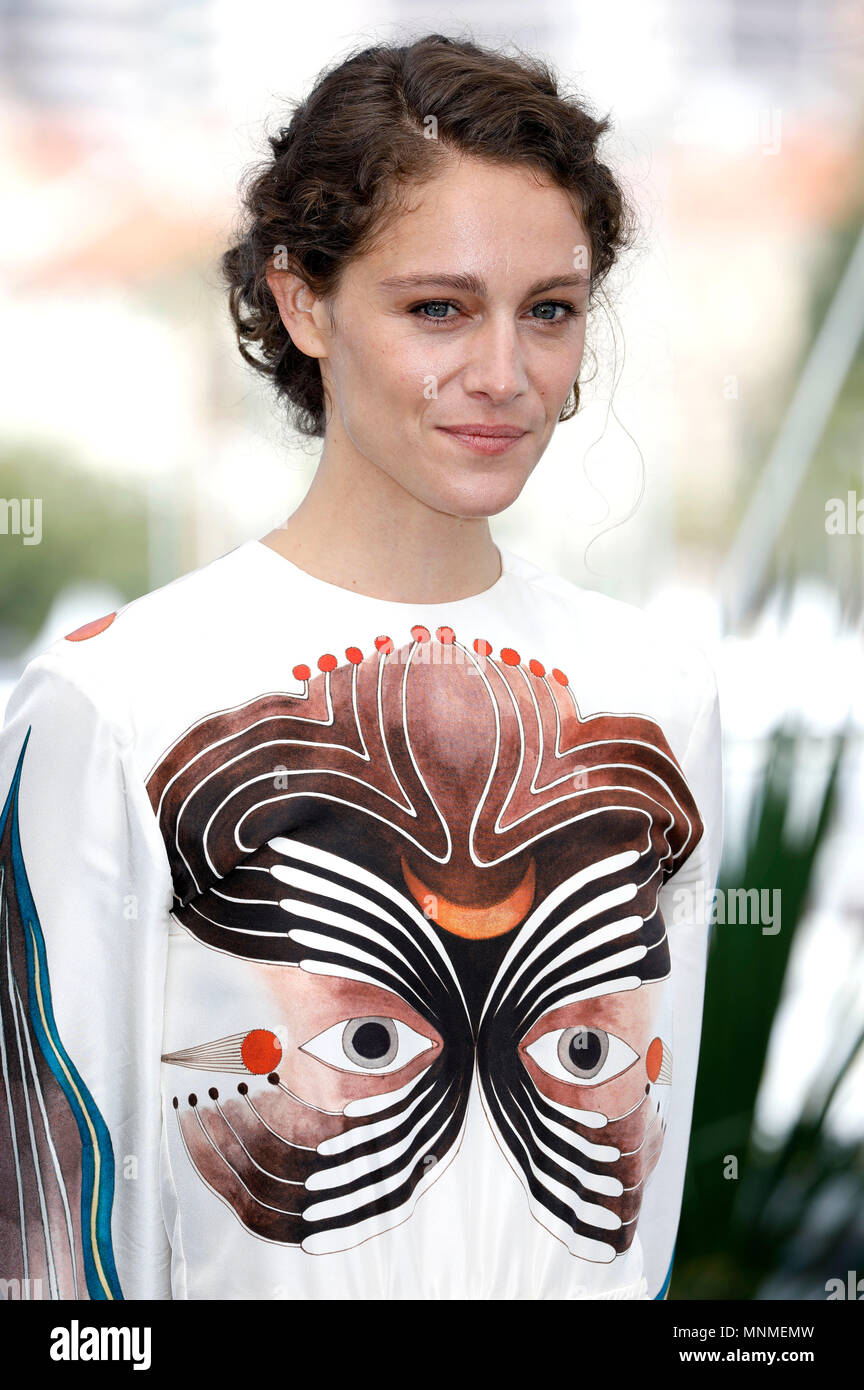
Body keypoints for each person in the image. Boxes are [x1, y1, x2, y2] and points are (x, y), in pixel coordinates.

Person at [0, 32, 722, 1301]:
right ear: (302, 302)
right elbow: (49, 1241)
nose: (502, 376)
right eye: (437, 307)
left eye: (548, 310)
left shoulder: (657, 697)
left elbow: (637, 1211)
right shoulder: (112, 701)